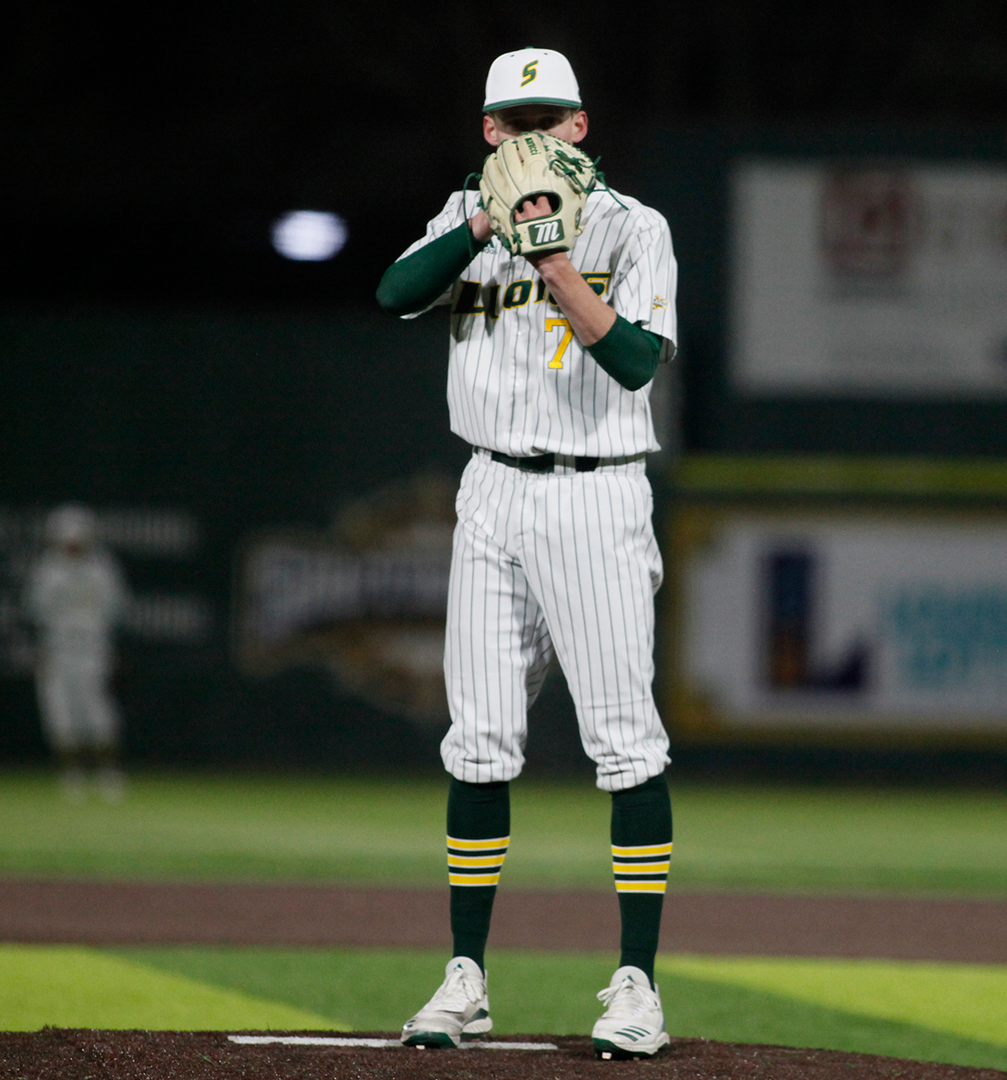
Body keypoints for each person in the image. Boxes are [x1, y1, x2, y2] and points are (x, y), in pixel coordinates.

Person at [374, 47, 678, 1059]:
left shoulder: (635, 228)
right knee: (479, 739)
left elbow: (635, 361)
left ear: (580, 128)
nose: (530, 134)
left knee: (625, 742)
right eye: (513, 121)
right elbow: (393, 293)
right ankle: (466, 976)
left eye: (550, 117)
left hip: (596, 492)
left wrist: (552, 259)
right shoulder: (466, 223)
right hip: (491, 489)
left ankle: (636, 985)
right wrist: (479, 224)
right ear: (490, 132)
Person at [24, 504, 129, 802]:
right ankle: (73, 775)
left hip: (93, 650)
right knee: (60, 715)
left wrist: (112, 651)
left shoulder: (102, 570)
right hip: (58, 651)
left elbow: (115, 611)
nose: (72, 545)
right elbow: (36, 613)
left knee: (97, 712)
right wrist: (42, 651)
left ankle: (109, 772)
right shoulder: (47, 571)